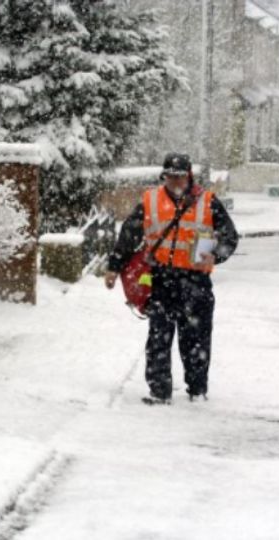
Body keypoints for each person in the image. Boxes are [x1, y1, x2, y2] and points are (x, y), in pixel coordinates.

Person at [105, 153, 239, 405]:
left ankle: (197, 390)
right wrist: (114, 267)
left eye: (179, 176)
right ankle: (159, 391)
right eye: (170, 176)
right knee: (159, 338)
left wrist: (214, 255)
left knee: (196, 340)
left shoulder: (208, 201)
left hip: (196, 281)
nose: (175, 181)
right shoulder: (151, 201)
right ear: (163, 176)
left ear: (188, 176)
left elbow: (230, 237)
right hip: (161, 280)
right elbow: (129, 235)